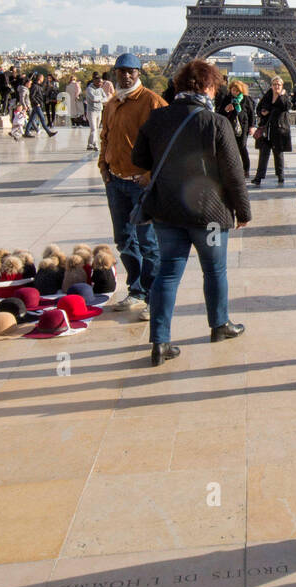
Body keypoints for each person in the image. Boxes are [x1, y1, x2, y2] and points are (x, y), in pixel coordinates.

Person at [132, 59, 249, 366]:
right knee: (215, 270)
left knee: (167, 273)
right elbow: (233, 174)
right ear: (209, 87)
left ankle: (159, 342)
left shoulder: (157, 119)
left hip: (168, 211)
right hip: (208, 214)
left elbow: (139, 158)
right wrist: (243, 210)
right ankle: (219, 324)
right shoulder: (215, 123)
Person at [98, 53, 166, 317]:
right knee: (124, 240)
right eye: (121, 71)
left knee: (148, 243)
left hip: (141, 183)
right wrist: (103, 167)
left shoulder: (153, 102)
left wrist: (150, 173)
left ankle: (152, 296)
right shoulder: (112, 102)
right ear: (114, 73)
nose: (125, 75)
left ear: (139, 73)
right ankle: (136, 290)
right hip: (115, 181)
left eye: (131, 71)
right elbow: (105, 136)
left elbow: (165, 143)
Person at [253, 76, 292, 186]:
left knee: (278, 154)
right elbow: (259, 108)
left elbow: (287, 107)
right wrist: (262, 112)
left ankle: (280, 175)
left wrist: (281, 96)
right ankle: (258, 177)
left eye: (278, 84)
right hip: (267, 129)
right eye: (274, 84)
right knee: (263, 154)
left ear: (282, 86)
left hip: (278, 129)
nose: (276, 86)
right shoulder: (267, 96)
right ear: (271, 85)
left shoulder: (284, 96)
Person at [218, 79, 255, 177]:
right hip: (230, 125)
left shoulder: (246, 99)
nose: (234, 92)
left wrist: (252, 126)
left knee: (242, 147)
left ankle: (246, 169)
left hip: (243, 126)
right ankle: (234, 168)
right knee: (231, 147)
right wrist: (226, 110)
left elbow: (251, 113)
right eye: (233, 90)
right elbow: (220, 113)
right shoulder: (227, 99)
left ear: (241, 91)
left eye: (237, 91)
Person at [24, 73, 55, 138]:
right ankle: (48, 132)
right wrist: (36, 103)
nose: (43, 79)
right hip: (36, 105)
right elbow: (32, 96)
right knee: (42, 118)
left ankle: (26, 132)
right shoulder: (35, 86)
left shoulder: (37, 86)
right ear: (40, 79)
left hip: (38, 104)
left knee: (31, 119)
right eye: (42, 78)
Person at [83, 73, 107, 150]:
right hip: (91, 111)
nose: (100, 84)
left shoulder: (101, 89)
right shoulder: (89, 89)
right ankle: (95, 144)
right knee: (94, 128)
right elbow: (93, 98)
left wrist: (99, 99)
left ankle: (90, 144)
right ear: (94, 82)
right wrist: (101, 99)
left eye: (101, 82)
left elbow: (106, 98)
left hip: (99, 110)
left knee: (95, 128)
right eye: (99, 82)